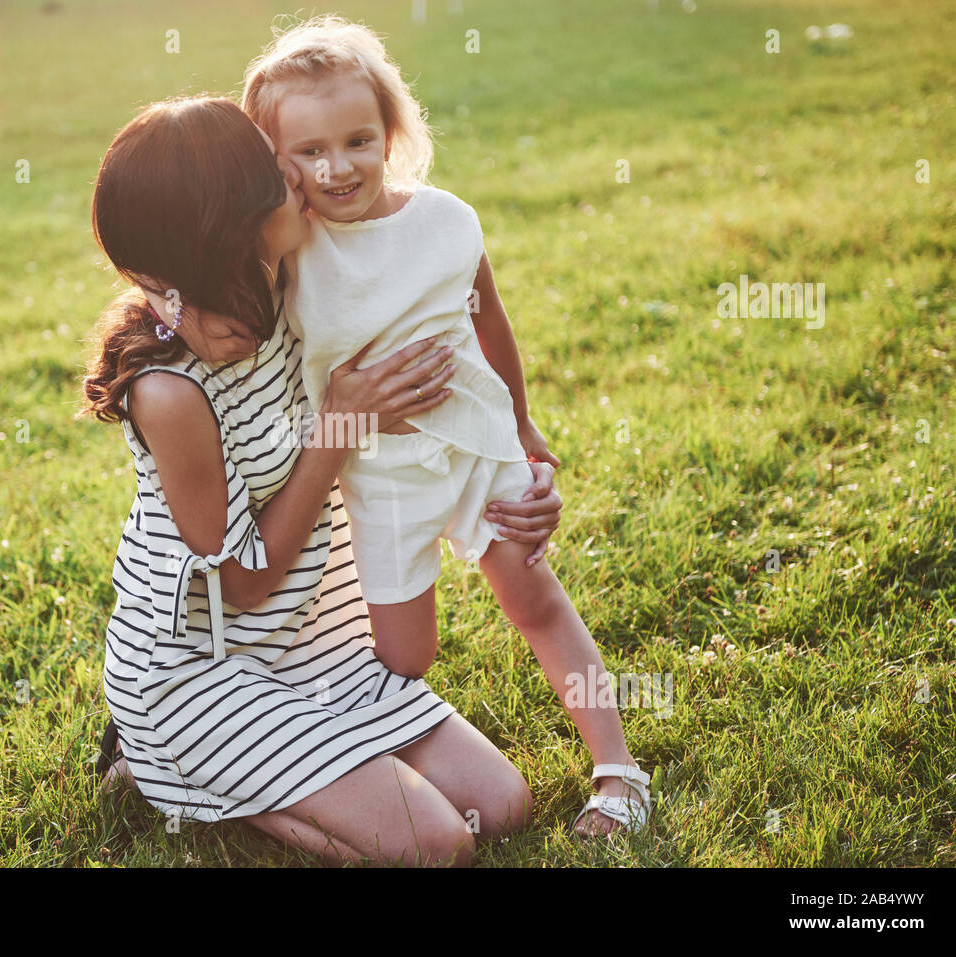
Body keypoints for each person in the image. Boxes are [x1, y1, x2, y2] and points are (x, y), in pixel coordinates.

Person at [78, 96, 565, 865]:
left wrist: (517, 473)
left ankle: (292, 767)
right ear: (227, 232)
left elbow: (439, 340)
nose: (301, 181)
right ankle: (165, 769)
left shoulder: (289, 280)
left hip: (313, 640)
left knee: (501, 804)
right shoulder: (172, 390)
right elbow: (240, 581)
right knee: (437, 844)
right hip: (201, 671)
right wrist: (338, 424)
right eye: (275, 180)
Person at [241, 15, 651, 835]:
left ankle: (619, 772)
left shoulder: (446, 222)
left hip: (471, 443)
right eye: (309, 151)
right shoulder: (287, 248)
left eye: (358, 139)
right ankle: (354, 756)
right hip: (378, 474)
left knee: (533, 598)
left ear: (392, 131)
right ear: (275, 161)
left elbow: (490, 319)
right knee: (404, 657)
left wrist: (526, 430)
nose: (337, 166)